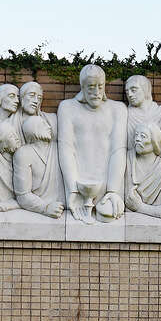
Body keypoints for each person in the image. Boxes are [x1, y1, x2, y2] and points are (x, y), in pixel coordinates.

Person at [57, 64, 127, 222]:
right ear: (82, 87)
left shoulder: (118, 109)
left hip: (106, 187)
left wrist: (113, 191)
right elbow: (66, 149)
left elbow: (118, 150)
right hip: (78, 185)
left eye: (100, 87)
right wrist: (72, 190)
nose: (96, 92)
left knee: (108, 216)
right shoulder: (67, 108)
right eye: (90, 87)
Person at [124, 75, 161, 204]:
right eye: (127, 91)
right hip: (132, 174)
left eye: (134, 89)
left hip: (159, 175)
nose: (129, 94)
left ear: (145, 90)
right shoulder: (124, 115)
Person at [125, 122, 161, 220]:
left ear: (154, 141)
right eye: (136, 135)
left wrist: (140, 207)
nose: (137, 139)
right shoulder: (126, 159)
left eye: (143, 136)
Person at [13, 115, 65, 217]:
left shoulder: (59, 148)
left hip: (65, 206)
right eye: (43, 124)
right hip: (43, 208)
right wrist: (45, 208)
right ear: (33, 129)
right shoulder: (23, 154)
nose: (49, 127)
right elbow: (22, 195)